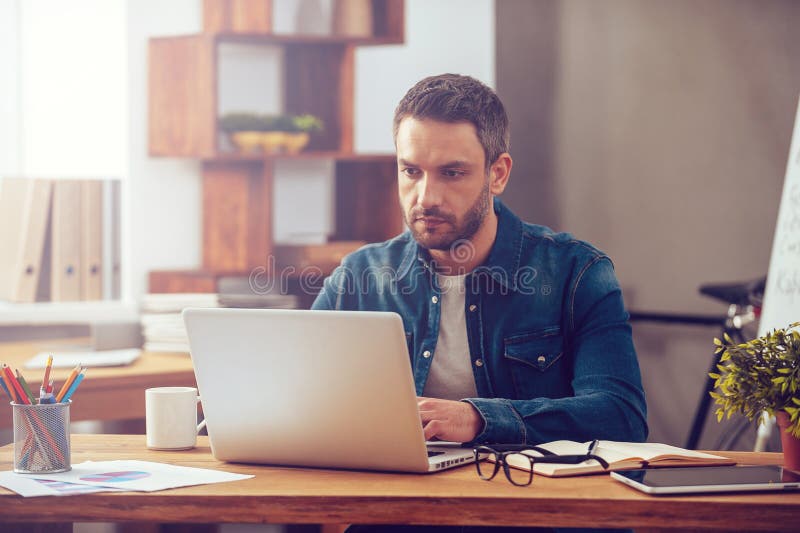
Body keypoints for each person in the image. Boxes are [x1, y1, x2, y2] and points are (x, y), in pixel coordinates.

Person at [312, 74, 647, 533]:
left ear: (498, 173)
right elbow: (302, 403)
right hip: (401, 516)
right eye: (411, 171)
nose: (426, 197)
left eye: (452, 172)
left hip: (538, 517)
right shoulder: (360, 277)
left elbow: (620, 414)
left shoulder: (576, 272)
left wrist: (478, 418)